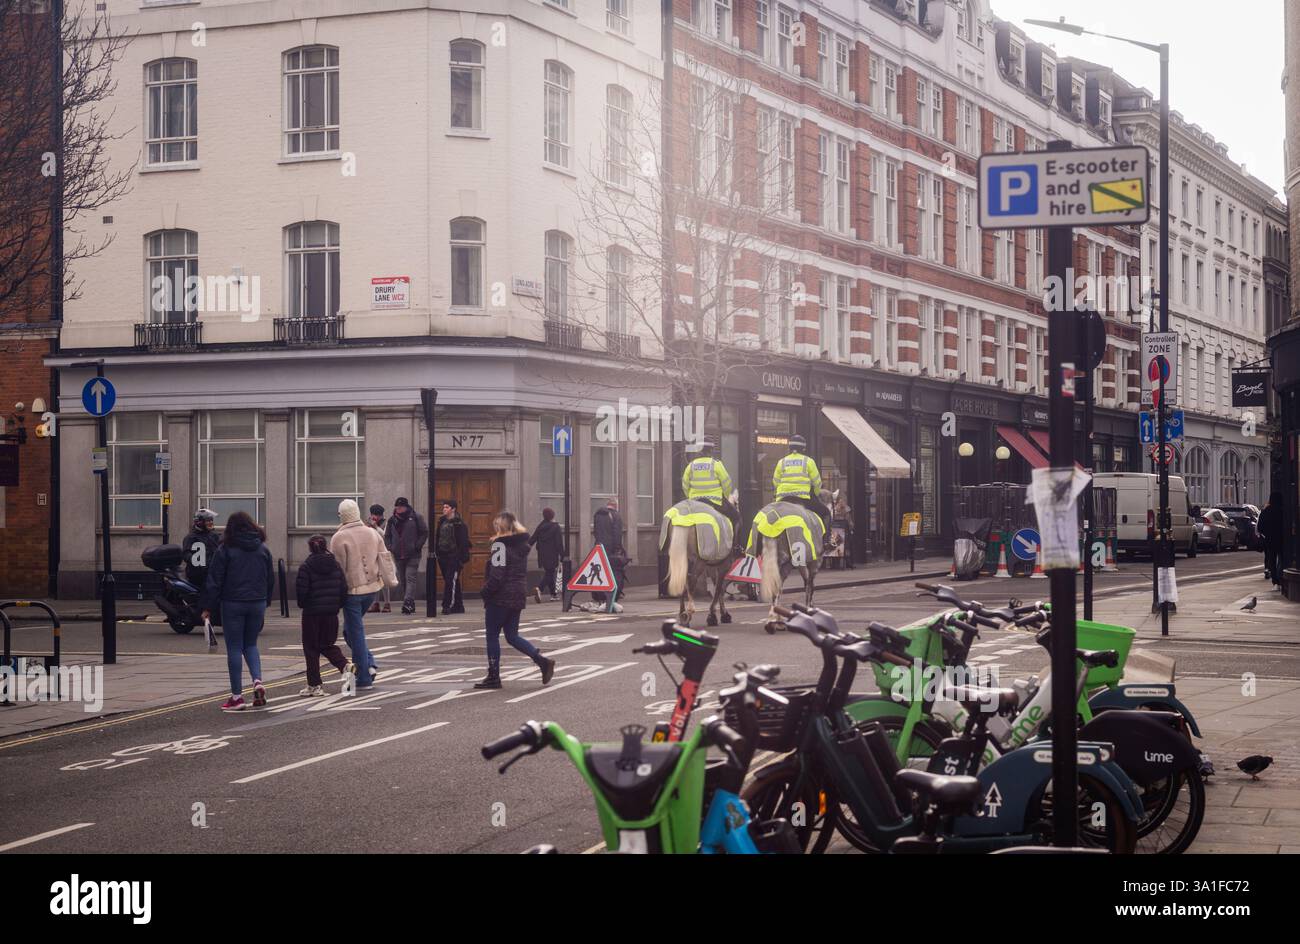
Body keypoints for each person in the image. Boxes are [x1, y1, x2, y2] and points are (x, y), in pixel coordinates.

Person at [474, 511, 556, 690]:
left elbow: (497, 576)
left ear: (500, 527)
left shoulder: (499, 546)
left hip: (500, 597)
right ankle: (542, 662)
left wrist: (485, 593)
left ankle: (494, 676)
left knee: (492, 635)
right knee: (512, 636)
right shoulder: (522, 546)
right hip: (517, 595)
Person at [200, 511, 273, 711]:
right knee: (251, 644)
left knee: (234, 647)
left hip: (232, 602)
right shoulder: (262, 549)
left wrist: (207, 607)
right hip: (257, 601)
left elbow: (215, 580)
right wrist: (265, 600)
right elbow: (270, 578)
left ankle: (237, 697)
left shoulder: (225, 549)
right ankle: (257, 681)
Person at [330, 499, 386, 689]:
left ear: (342, 516)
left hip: (352, 591)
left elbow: (336, 570)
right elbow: (384, 557)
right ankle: (369, 664)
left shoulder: (339, 537)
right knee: (350, 631)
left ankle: (363, 679)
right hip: (371, 590)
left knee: (356, 632)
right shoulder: (372, 533)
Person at [295, 533, 354, 696]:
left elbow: (302, 592)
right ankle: (346, 666)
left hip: (312, 614)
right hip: (331, 614)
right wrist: (336, 606)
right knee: (327, 645)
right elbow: (343, 588)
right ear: (325, 546)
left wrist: (304, 605)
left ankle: (315, 685)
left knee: (311, 648)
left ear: (310, 547)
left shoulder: (306, 566)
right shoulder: (335, 565)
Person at [773, 434, 832, 551]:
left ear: (789, 448)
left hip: (782, 499)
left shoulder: (781, 462)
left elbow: (775, 482)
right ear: (803, 449)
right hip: (802, 499)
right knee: (826, 513)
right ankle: (826, 542)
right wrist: (815, 494)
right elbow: (817, 483)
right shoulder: (808, 461)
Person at [682, 438, 742, 554]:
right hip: (715, 502)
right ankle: (736, 547)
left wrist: (690, 497)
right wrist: (724, 496)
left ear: (699, 451)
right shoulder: (716, 465)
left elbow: (685, 485)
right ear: (711, 451)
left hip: (694, 503)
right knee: (737, 518)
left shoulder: (691, 466)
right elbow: (727, 483)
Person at [384, 497, 428, 614]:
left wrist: (417, 545)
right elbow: (387, 535)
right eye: (397, 507)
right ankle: (410, 602)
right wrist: (390, 547)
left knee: (410, 578)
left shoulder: (415, 517)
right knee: (403, 580)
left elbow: (424, 532)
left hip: (413, 554)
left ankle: (407, 602)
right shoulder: (392, 520)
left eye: (401, 507)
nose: (398, 509)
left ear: (406, 507)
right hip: (398, 554)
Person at [434, 500, 470, 615]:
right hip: (443, 556)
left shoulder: (460, 524)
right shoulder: (442, 522)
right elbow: (438, 537)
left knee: (450, 580)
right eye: (443, 507)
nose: (444, 509)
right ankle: (458, 605)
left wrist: (460, 558)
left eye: (447, 507)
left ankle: (447, 605)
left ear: (453, 509)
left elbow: (463, 543)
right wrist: (438, 553)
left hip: (454, 557)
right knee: (453, 581)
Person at [590, 497, 627, 610]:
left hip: (599, 547)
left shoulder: (597, 515)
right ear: (615, 505)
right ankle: (613, 594)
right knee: (614, 572)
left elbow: (595, 531)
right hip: (611, 549)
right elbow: (617, 534)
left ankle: (598, 594)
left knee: (599, 572)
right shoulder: (616, 516)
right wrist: (618, 548)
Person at [529, 506, 564, 603]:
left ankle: (553, 594)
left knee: (549, 573)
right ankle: (539, 588)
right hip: (552, 555)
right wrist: (562, 555)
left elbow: (533, 539)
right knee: (549, 573)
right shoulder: (555, 527)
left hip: (542, 555)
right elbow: (559, 543)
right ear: (552, 516)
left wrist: (524, 548)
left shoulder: (540, 526)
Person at [182, 508, 220, 594]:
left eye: (211, 520)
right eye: (208, 521)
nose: (211, 523)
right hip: (198, 575)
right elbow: (186, 554)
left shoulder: (214, 536)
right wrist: (198, 561)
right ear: (200, 522)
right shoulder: (191, 538)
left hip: (213, 573)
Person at [367, 504, 391, 613]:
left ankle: (387, 603)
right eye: (372, 515)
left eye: (376, 515)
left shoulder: (386, 523)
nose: (374, 517)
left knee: (384, 579)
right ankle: (375, 603)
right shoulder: (369, 524)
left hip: (383, 553)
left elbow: (385, 536)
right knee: (374, 578)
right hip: (372, 552)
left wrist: (376, 527)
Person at [1258, 490, 1284, 589]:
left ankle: (1275, 581)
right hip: (1281, 539)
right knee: (1282, 558)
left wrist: (1267, 534)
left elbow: (1260, 527)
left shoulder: (1266, 511)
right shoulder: (1283, 511)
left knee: (1271, 560)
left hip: (1269, 539)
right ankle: (1281, 577)